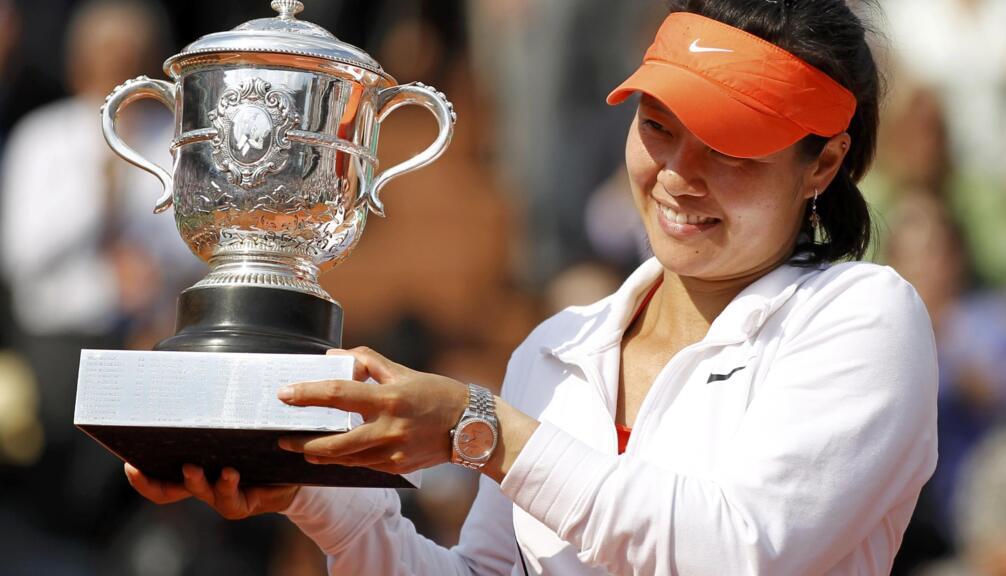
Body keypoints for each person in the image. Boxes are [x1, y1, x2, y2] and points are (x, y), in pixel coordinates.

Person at [126, 0, 938, 574]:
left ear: (823, 165)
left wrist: (481, 432)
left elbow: (739, 552)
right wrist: (310, 487)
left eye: (732, 149)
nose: (680, 176)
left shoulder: (864, 317)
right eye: (658, 126)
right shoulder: (558, 346)